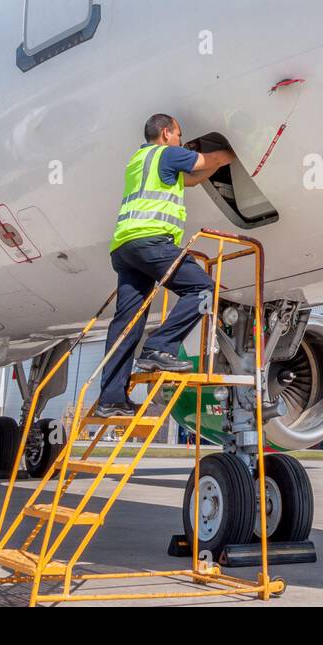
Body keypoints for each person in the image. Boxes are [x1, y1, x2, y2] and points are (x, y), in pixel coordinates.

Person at [95, 113, 236, 417]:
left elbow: (193, 179)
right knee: (204, 290)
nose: (181, 141)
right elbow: (204, 160)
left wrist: (212, 166)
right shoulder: (168, 153)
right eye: (179, 135)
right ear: (166, 133)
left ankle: (110, 399)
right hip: (151, 242)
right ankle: (158, 348)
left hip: (125, 248)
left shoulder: (139, 160)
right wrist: (232, 153)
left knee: (128, 323)